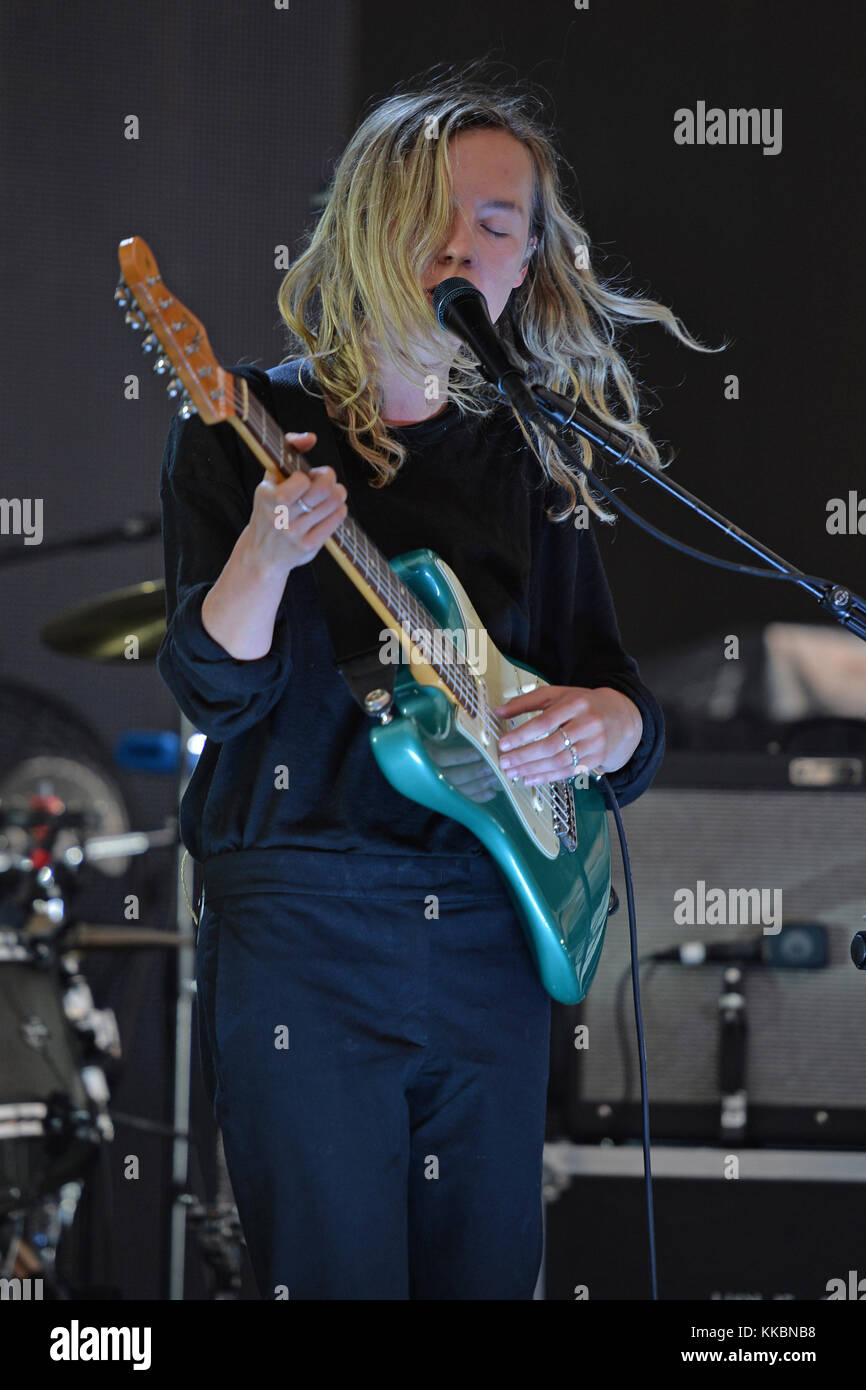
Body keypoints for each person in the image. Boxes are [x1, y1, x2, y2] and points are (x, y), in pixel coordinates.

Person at [157, 66, 707, 1300]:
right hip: (304, 920)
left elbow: (618, 700)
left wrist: (603, 724)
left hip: (490, 930)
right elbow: (213, 693)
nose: (459, 248)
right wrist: (265, 550)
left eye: (495, 227)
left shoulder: (531, 451)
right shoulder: (241, 421)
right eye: (430, 216)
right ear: (364, 224)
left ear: (524, 268)